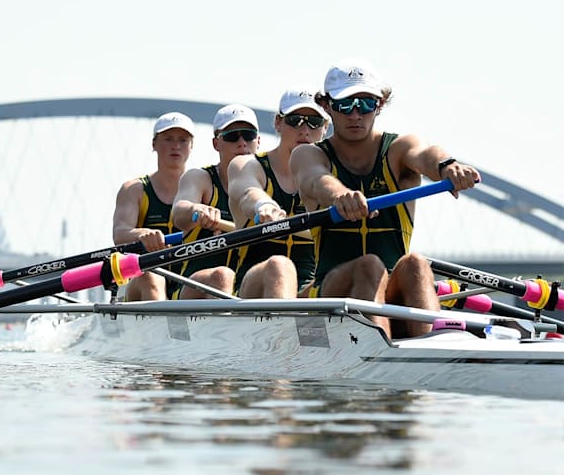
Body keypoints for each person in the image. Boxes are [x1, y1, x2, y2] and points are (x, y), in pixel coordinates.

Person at [289, 59, 481, 338]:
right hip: (330, 295)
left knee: (416, 263)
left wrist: (447, 166)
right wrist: (341, 196)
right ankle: (381, 352)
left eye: (366, 103)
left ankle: (432, 347)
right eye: (345, 104)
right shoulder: (308, 154)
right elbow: (316, 179)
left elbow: (427, 154)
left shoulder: (399, 148)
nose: (356, 114)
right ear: (327, 106)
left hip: (394, 295)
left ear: (379, 105)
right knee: (369, 265)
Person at [227, 87, 329, 298]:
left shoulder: (333, 178)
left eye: (314, 122)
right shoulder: (248, 164)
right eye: (295, 120)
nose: (304, 130)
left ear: (325, 128)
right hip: (254, 291)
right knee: (280, 266)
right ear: (278, 123)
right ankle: (284, 328)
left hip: (309, 292)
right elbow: (247, 191)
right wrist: (263, 205)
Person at [170, 104, 261, 299]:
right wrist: (196, 208)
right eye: (231, 136)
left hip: (246, 291)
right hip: (195, 287)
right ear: (216, 143)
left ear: (258, 141)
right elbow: (179, 211)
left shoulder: (270, 183)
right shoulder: (200, 178)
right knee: (223, 275)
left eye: (248, 135)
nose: (242, 143)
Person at [111, 112, 195, 301]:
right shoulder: (134, 189)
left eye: (183, 140)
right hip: (140, 279)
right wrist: (142, 234)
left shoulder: (202, 188)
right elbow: (120, 233)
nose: (176, 146)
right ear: (154, 144)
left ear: (191, 146)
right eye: (168, 139)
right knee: (152, 277)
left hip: (186, 282)